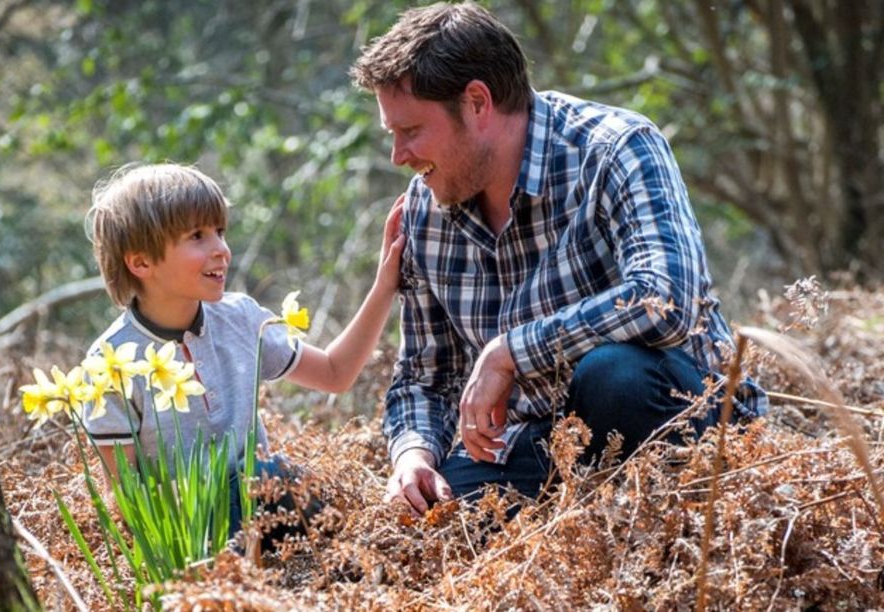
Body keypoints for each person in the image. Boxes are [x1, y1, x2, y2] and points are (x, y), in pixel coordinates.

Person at [350, 1, 767, 515]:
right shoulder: (424, 208)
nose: (398, 156)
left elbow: (665, 299)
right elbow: (423, 376)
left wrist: (510, 351)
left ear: (477, 103)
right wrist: (413, 454)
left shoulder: (616, 148)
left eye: (410, 131)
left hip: (677, 409)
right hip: (543, 444)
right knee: (434, 515)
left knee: (612, 376)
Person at [82, 162, 404, 534]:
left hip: (269, 504)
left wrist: (384, 285)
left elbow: (335, 373)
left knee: (277, 478)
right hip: (193, 537)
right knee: (272, 477)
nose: (222, 249)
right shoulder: (110, 365)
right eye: (198, 236)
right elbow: (123, 498)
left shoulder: (240, 319)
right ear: (141, 261)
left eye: (220, 232)